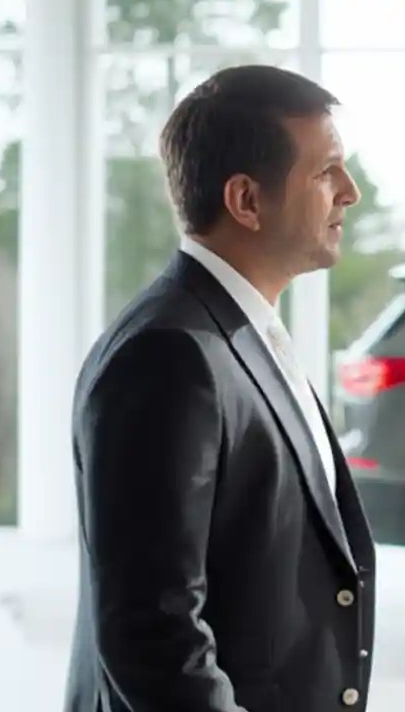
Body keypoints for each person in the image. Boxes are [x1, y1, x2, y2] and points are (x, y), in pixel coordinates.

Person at [63, 64, 375, 712]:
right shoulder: (170, 354)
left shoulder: (237, 331)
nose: (350, 192)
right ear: (246, 200)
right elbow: (154, 629)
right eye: (325, 172)